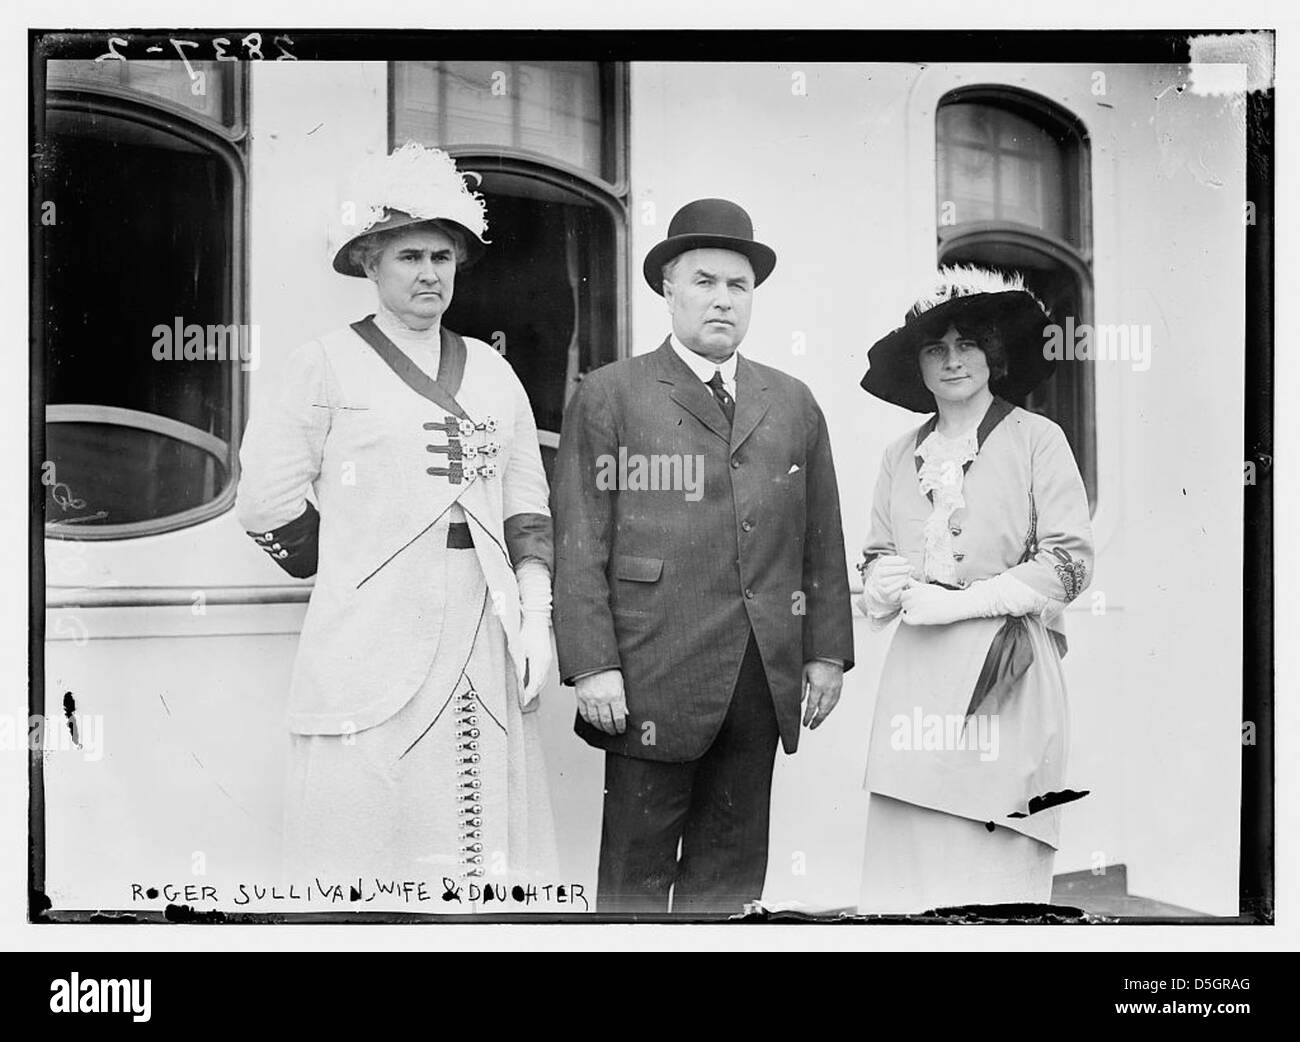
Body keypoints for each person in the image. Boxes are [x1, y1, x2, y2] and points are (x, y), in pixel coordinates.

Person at [235, 143, 557, 898]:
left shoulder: (492, 369)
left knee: (470, 828)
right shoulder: (323, 363)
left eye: (442, 256)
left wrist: (536, 617)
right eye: (409, 255)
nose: (428, 274)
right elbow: (264, 497)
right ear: (371, 265)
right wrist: (349, 563)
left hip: (481, 626)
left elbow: (526, 507)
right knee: (363, 825)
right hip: (368, 637)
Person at [551, 198, 855, 915]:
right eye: (704, 281)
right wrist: (593, 664)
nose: (722, 300)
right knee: (635, 873)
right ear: (668, 291)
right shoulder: (611, 394)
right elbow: (579, 538)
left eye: (738, 286)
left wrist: (826, 654)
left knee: (731, 875)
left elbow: (822, 536)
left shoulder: (793, 401)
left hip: (759, 675)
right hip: (650, 674)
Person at [855, 264, 1095, 913]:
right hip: (918, 676)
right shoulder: (899, 453)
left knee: (991, 858)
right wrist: (881, 581)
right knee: (912, 866)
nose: (952, 360)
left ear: (994, 353)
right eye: (936, 348)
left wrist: (963, 601)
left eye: (967, 344)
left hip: (1005, 674)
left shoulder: (1037, 440)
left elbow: (1070, 563)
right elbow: (877, 551)